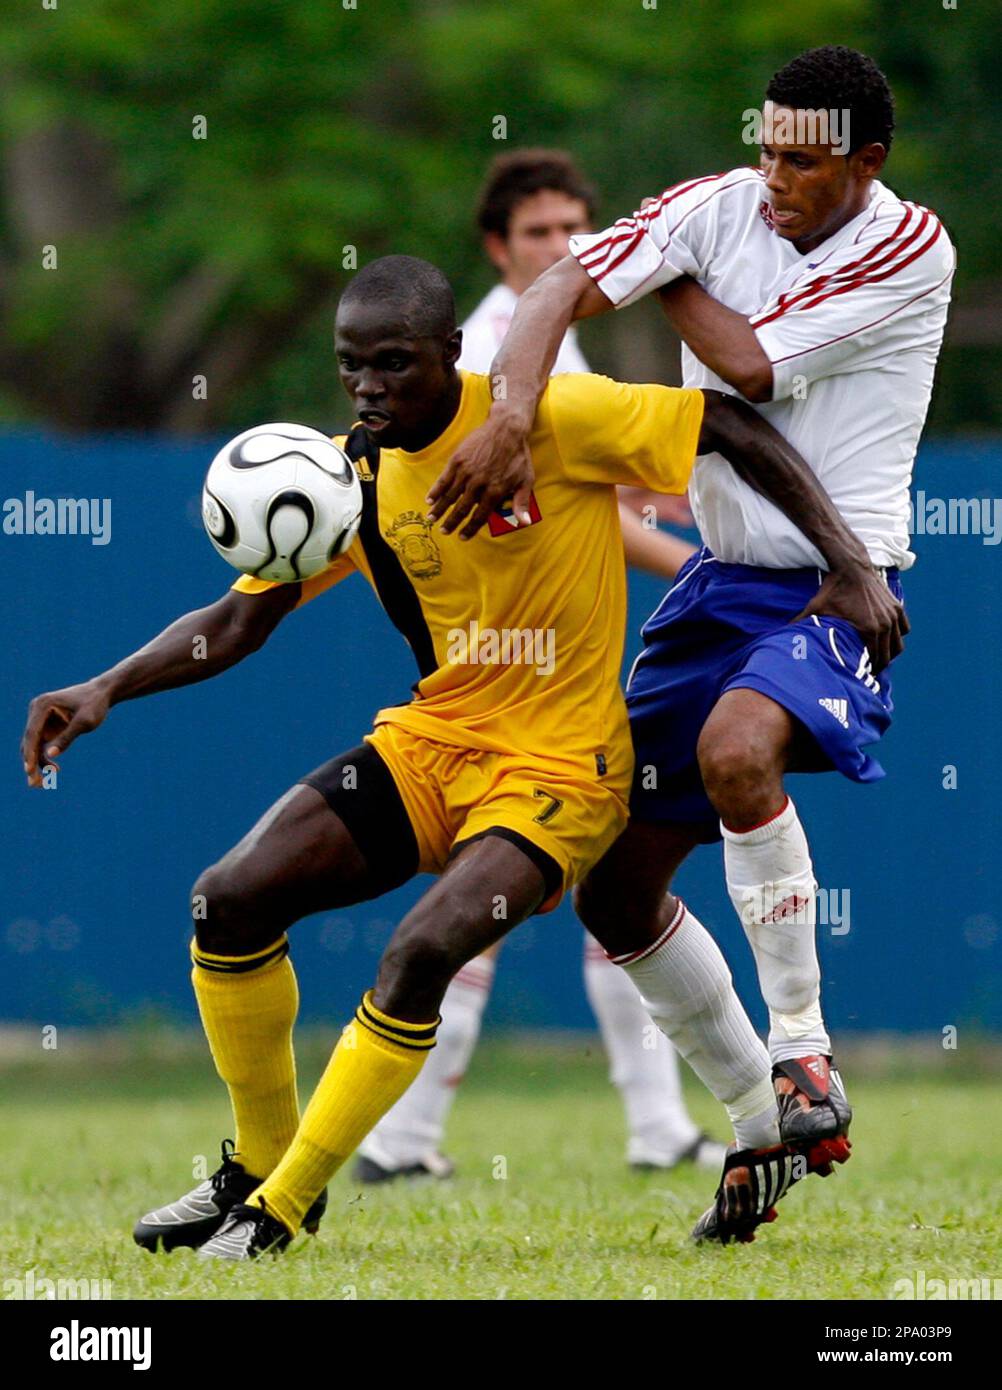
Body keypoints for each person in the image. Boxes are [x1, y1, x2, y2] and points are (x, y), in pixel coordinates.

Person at [22, 255, 899, 1259]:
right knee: (227, 899)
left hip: (564, 769)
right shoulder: (352, 474)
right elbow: (236, 619)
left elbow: (729, 426)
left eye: (392, 363)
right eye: (351, 366)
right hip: (435, 744)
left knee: (421, 951)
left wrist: (851, 563)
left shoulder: (553, 419)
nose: (367, 387)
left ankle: (281, 1211)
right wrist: (104, 686)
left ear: (452, 354)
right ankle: (258, 1168)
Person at [425, 46, 954, 1240]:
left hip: (841, 584)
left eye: (805, 160)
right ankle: (760, 1127)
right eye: (766, 146)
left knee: (735, 752)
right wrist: (512, 416)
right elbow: (556, 289)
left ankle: (806, 1054)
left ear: (866, 164)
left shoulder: (913, 247)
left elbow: (750, 365)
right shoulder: (716, 206)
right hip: (717, 584)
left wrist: (656, 271)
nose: (774, 176)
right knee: (610, 889)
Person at [356, 149, 714, 1187]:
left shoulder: (545, 353)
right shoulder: (500, 358)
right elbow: (593, 508)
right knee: (526, 902)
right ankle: (401, 1137)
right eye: (538, 234)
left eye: (573, 230)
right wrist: (706, 559)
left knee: (567, 895)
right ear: (496, 247)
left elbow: (594, 493)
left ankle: (416, 1139)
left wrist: (674, 521)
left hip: (542, 664)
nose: (561, 249)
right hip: (514, 679)